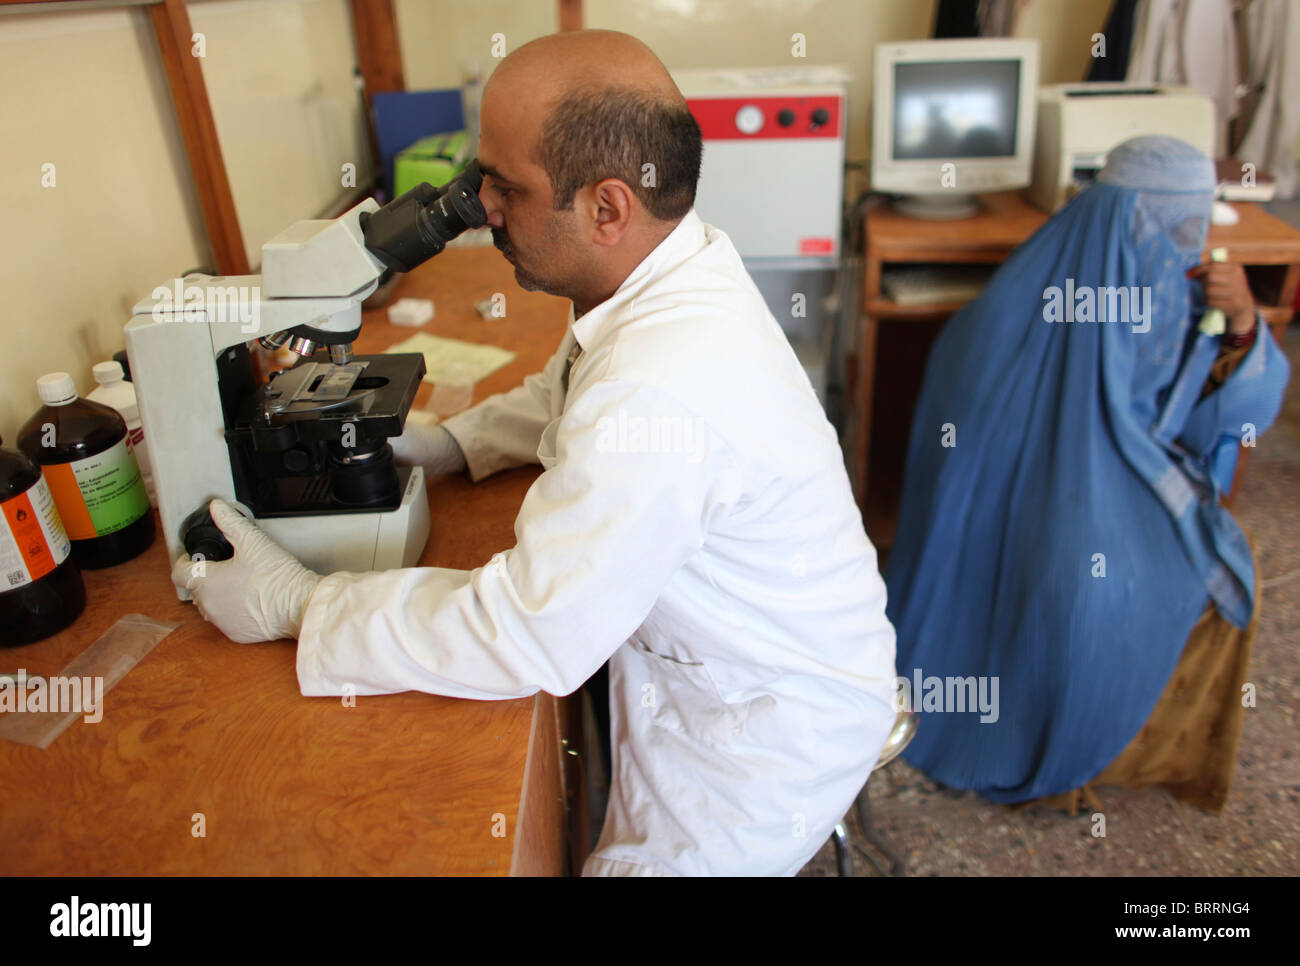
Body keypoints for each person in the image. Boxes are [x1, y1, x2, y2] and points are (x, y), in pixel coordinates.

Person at [172, 29, 897, 875]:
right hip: (723, 662)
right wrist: (447, 446)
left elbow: (524, 632)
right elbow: (562, 395)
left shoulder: (662, 382)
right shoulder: (663, 268)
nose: (480, 207)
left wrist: (302, 603)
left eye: (505, 188)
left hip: (762, 739)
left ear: (607, 207)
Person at [884, 135, 1289, 810]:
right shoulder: (1014, 316)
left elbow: (1227, 419)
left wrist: (1244, 321)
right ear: (1122, 217)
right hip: (1035, 496)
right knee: (1095, 591)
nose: (1185, 244)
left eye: (1196, 222)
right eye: (1172, 225)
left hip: (1126, 471)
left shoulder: (1164, 290)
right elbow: (970, 458)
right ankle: (1050, 734)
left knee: (1204, 562)